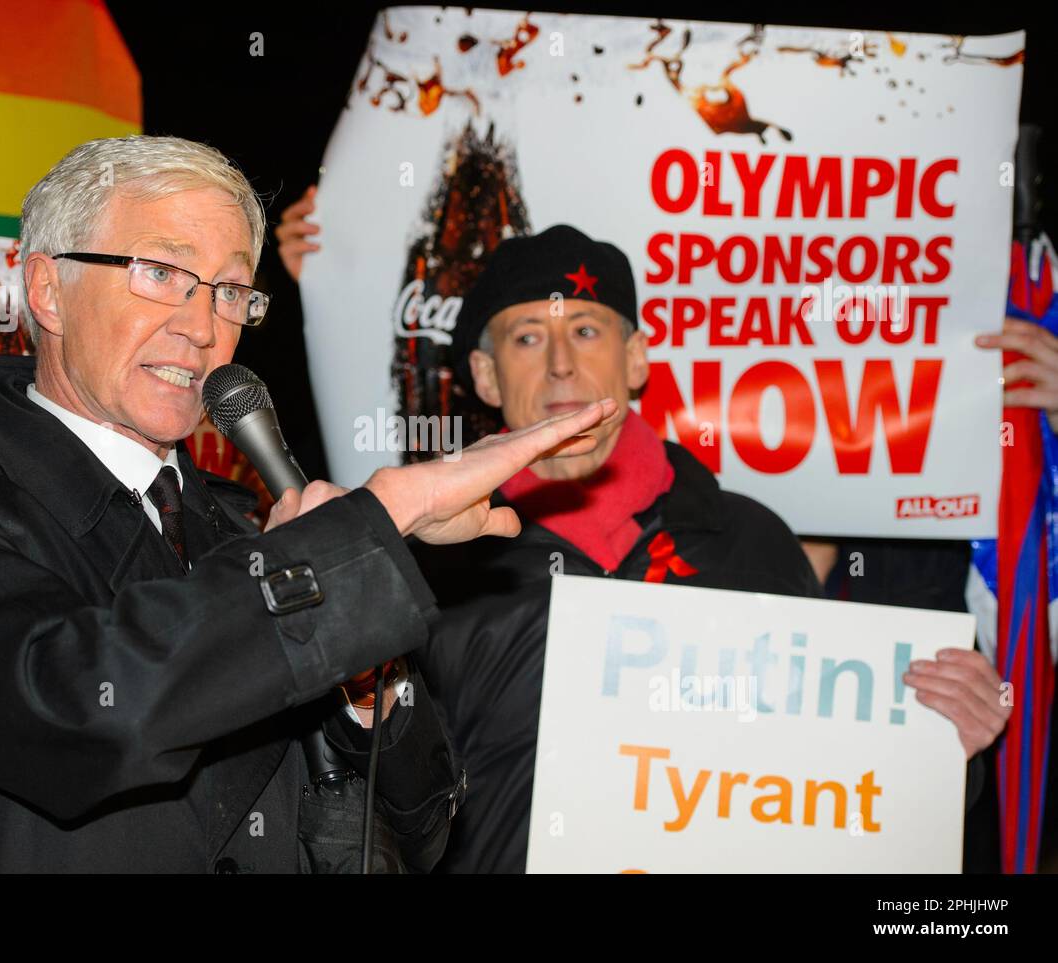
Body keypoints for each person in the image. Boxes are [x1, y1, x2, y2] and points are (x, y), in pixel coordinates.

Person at [0, 136, 616, 873]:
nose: (204, 326)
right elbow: (84, 710)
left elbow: (419, 830)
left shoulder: (247, 526)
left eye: (232, 290)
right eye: (163, 274)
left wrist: (367, 687)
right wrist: (353, 541)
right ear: (48, 289)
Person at [276, 202, 1012, 872]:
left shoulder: (749, 539)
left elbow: (837, 781)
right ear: (485, 375)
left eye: (587, 330)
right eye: (528, 336)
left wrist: (945, 747)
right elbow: (378, 806)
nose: (562, 362)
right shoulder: (429, 560)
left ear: (636, 359)